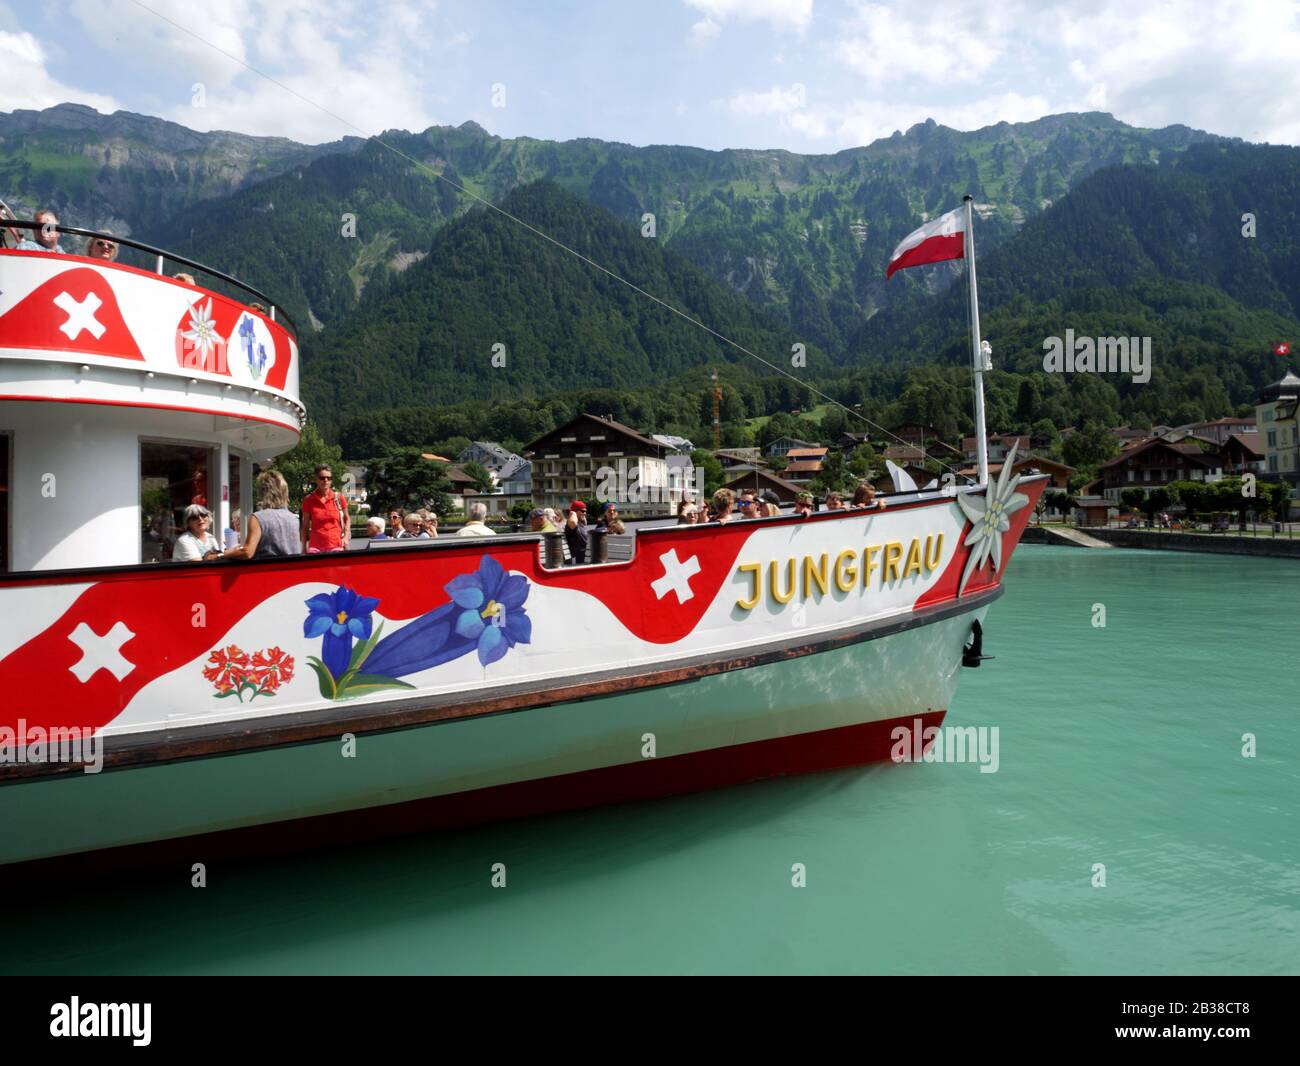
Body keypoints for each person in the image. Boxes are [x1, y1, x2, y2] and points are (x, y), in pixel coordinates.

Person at [223, 470, 299, 560]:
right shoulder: (293, 518)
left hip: (266, 571)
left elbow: (247, 552)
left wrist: (225, 554)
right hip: (290, 570)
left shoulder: (258, 518)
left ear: (263, 492)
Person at [300, 464, 349, 553]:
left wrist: (346, 537)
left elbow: (347, 518)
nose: (326, 480)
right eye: (322, 478)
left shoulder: (339, 498)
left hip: (336, 546)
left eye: (328, 478)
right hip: (315, 548)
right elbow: (305, 526)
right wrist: (303, 547)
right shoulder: (308, 500)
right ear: (316, 479)